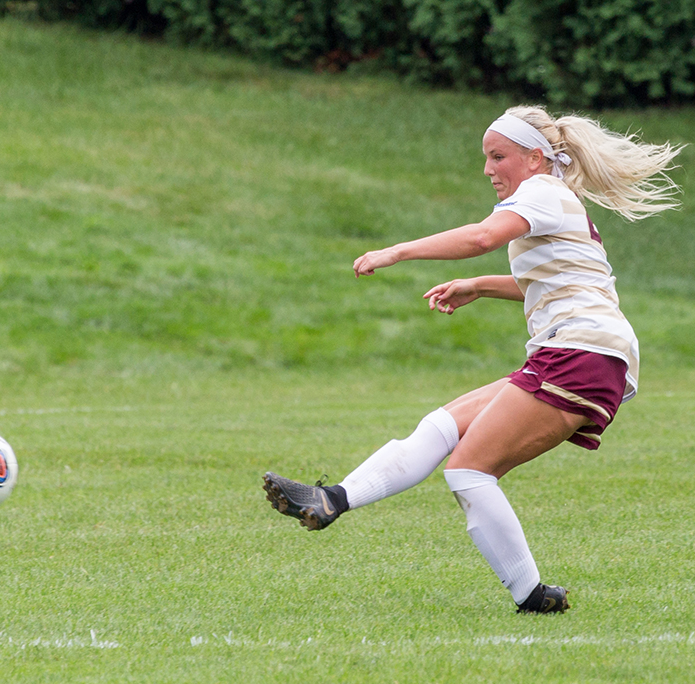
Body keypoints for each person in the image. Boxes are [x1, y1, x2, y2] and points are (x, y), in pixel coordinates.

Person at [262, 105, 683, 614]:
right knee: (442, 426)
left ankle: (531, 596)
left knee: (469, 472)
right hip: (575, 353)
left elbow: (483, 237)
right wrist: (480, 286)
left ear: (534, 157)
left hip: (580, 355)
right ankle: (331, 499)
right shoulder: (555, 199)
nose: (488, 169)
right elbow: (556, 281)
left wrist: (397, 251)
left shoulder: (544, 192)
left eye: (497, 156)